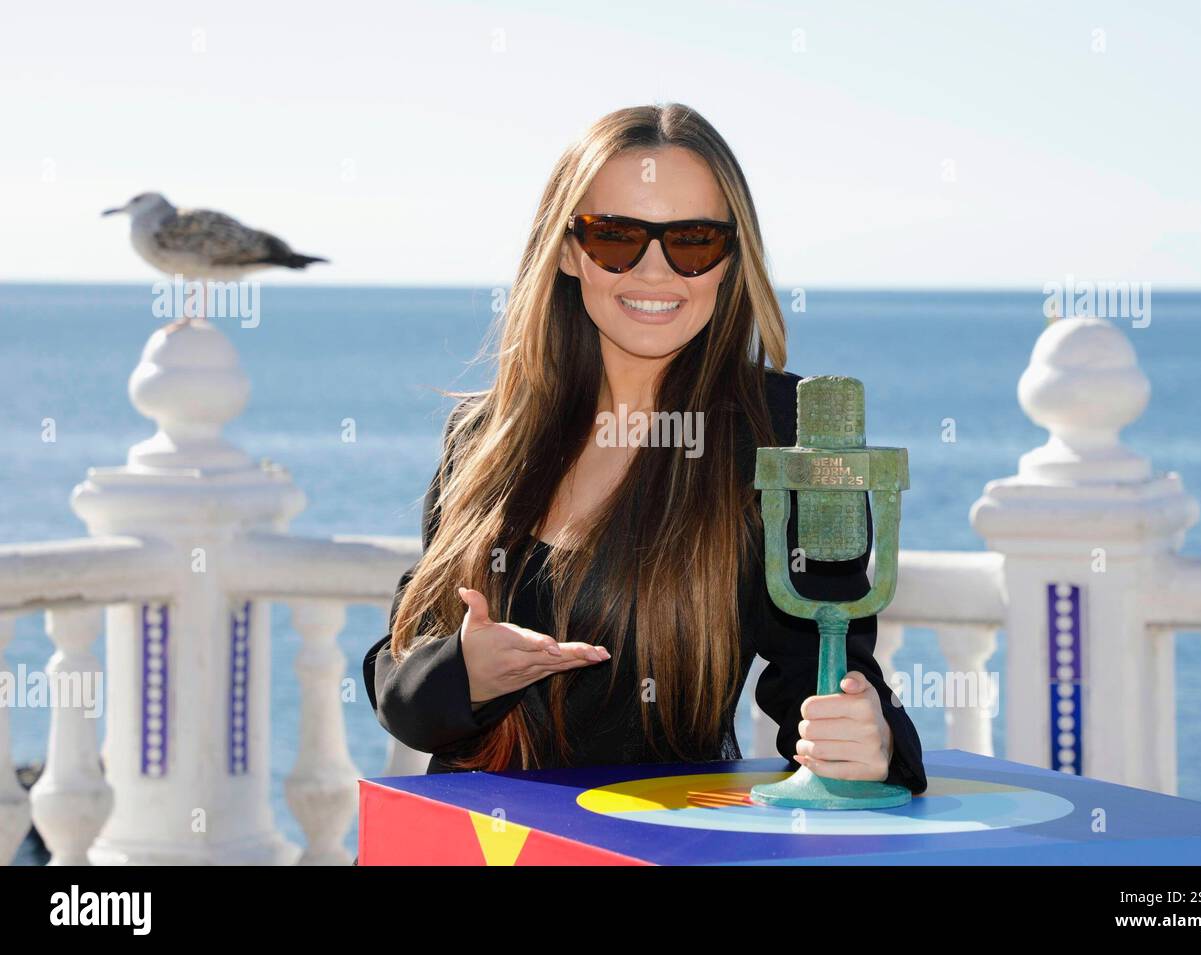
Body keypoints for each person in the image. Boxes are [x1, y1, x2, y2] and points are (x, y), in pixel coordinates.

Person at [362, 103, 927, 796]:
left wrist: (874, 741)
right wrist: (464, 674)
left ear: (730, 258)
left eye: (691, 240)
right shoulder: (486, 436)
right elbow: (399, 680)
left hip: (650, 842)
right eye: (616, 236)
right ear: (568, 251)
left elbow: (834, 672)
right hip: (468, 842)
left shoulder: (786, 432)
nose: (655, 270)